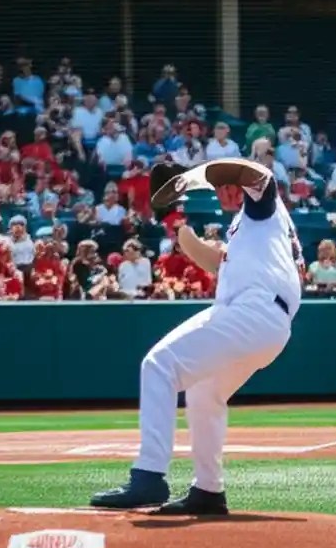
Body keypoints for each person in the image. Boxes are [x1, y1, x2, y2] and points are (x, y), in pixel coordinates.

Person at [90, 153, 302, 515]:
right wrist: (175, 223)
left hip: (255, 310)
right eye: (221, 188)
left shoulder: (264, 205)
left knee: (159, 365)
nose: (224, 193)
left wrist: (191, 180)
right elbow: (210, 260)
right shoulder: (248, 231)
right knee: (204, 393)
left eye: (228, 186)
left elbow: (251, 173)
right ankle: (208, 490)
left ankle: (149, 475)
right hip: (263, 322)